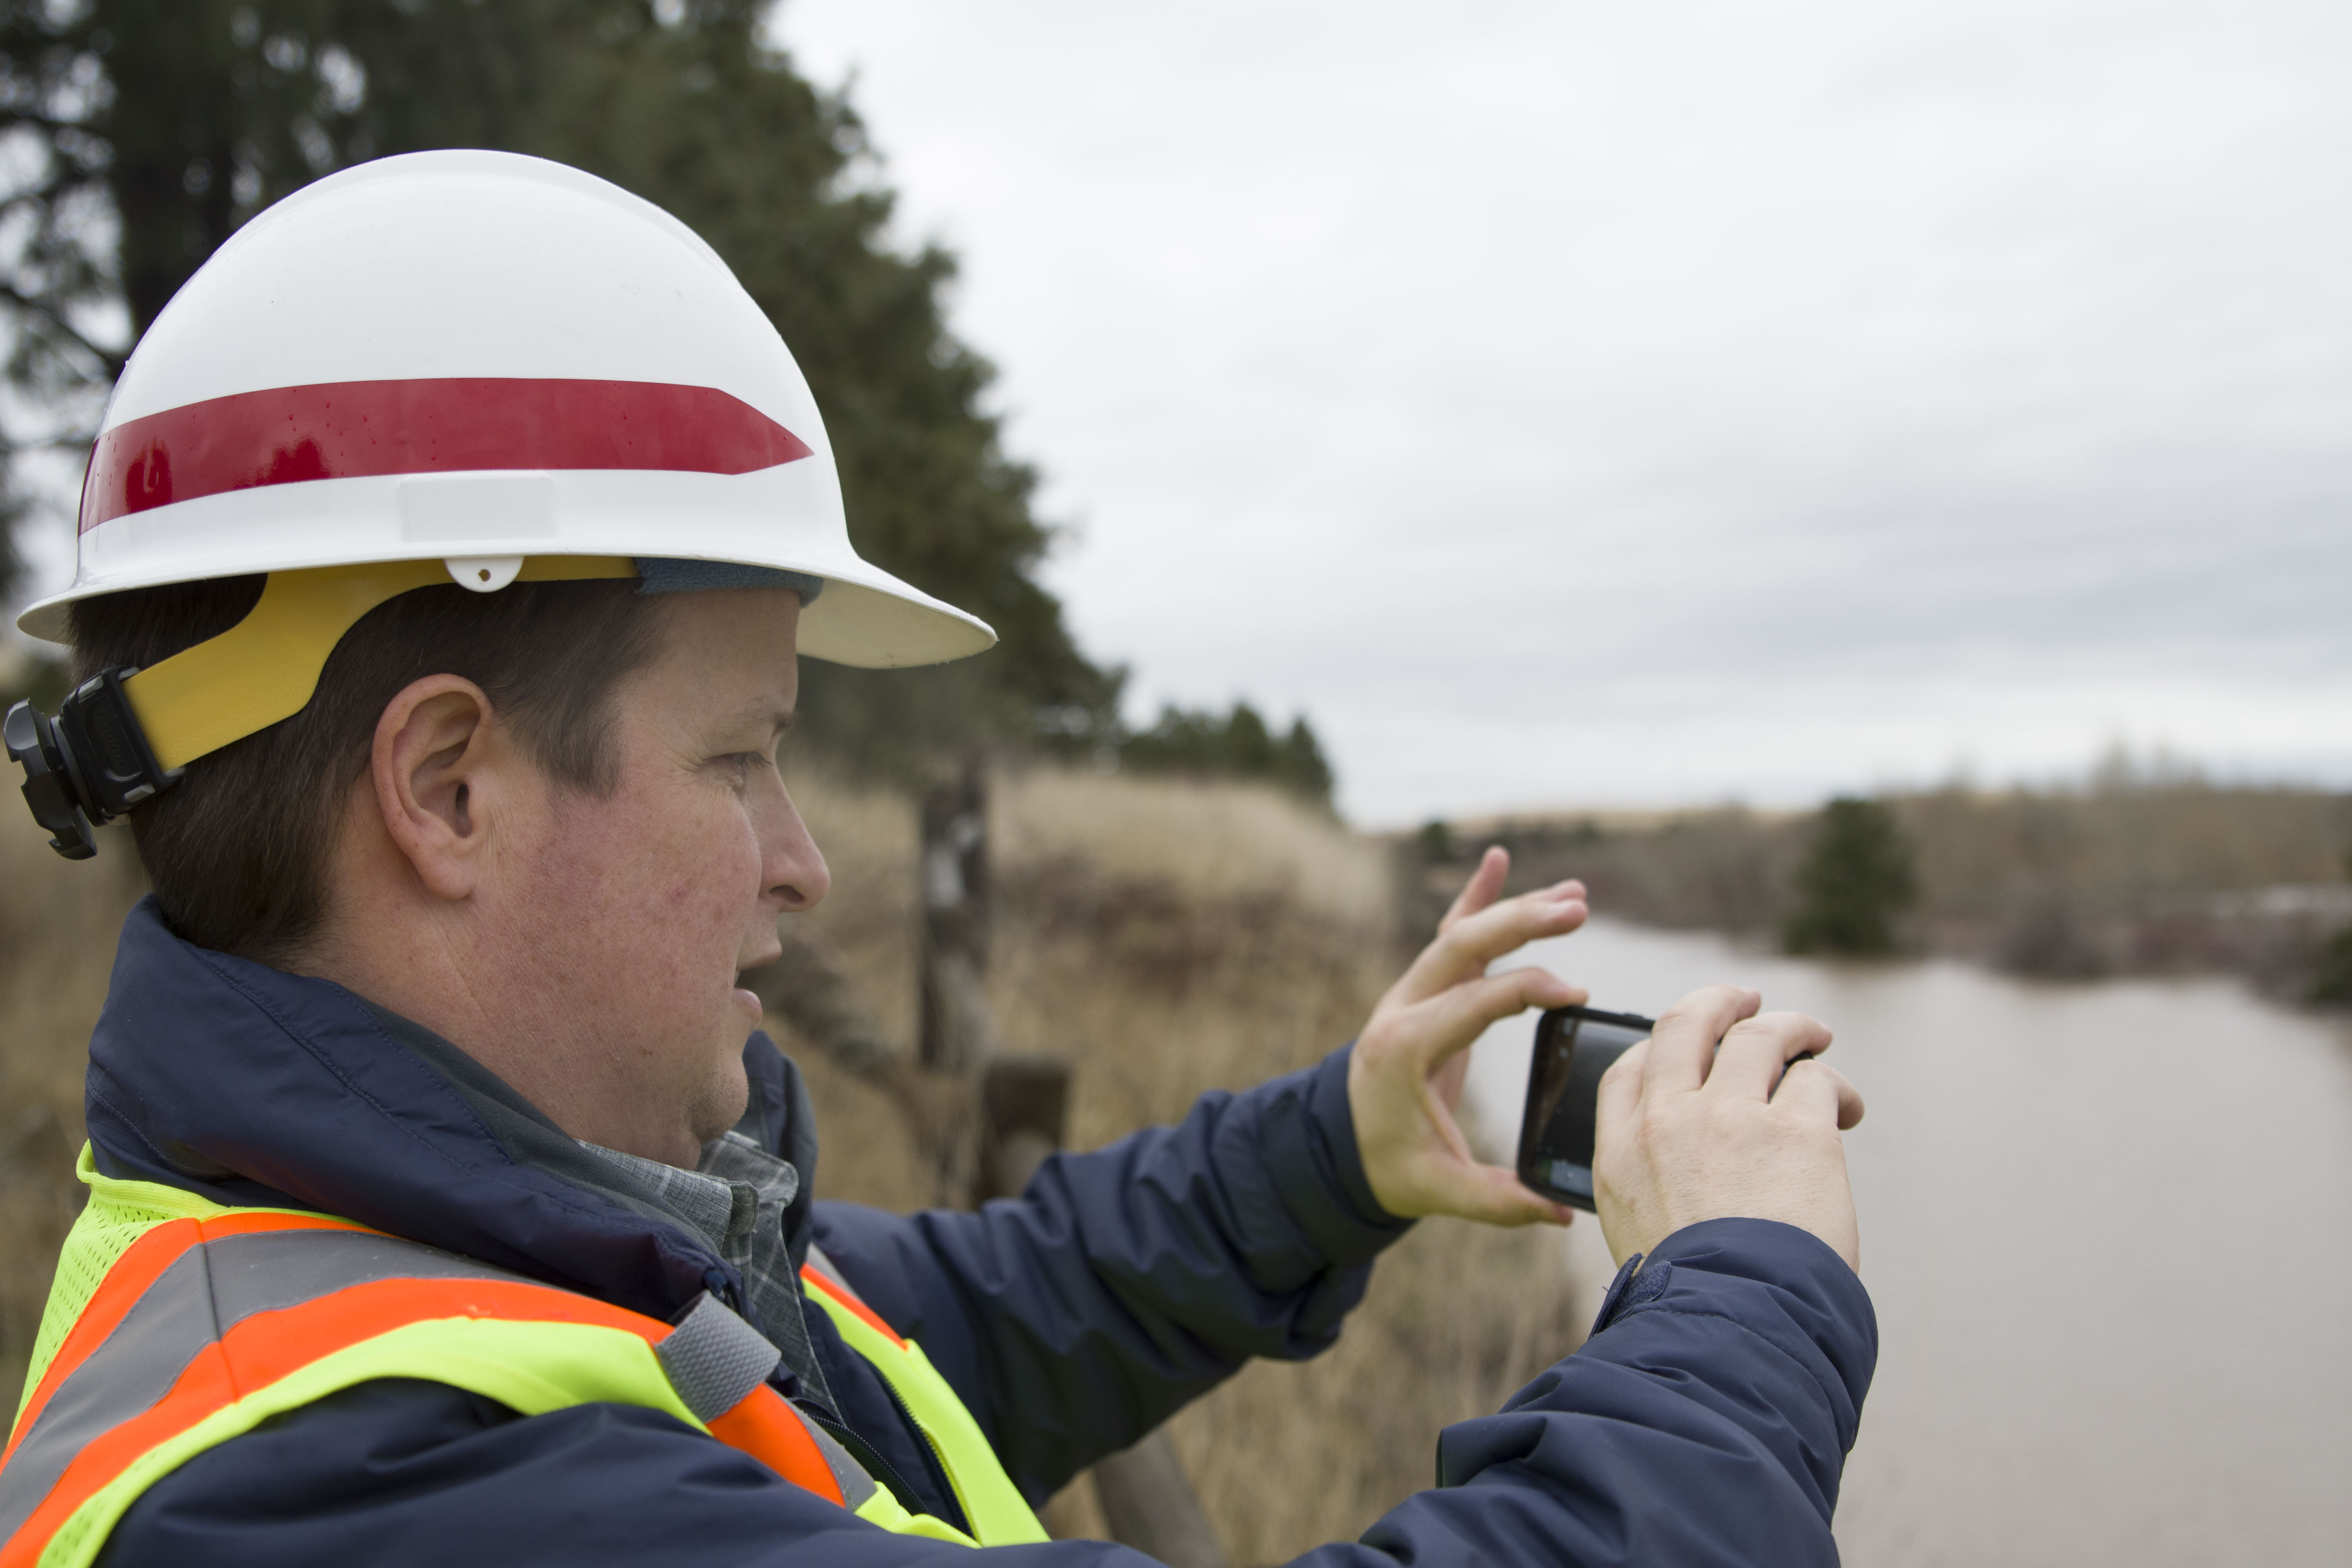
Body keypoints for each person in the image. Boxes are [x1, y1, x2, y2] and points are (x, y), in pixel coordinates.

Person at [0, 152, 1873, 1568]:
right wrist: (1746, 1281)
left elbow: (958, 1318)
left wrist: (1337, 1151)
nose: (802, 863)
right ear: (451, 792)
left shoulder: (506, 1260)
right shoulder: (363, 1485)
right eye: (740, 758)